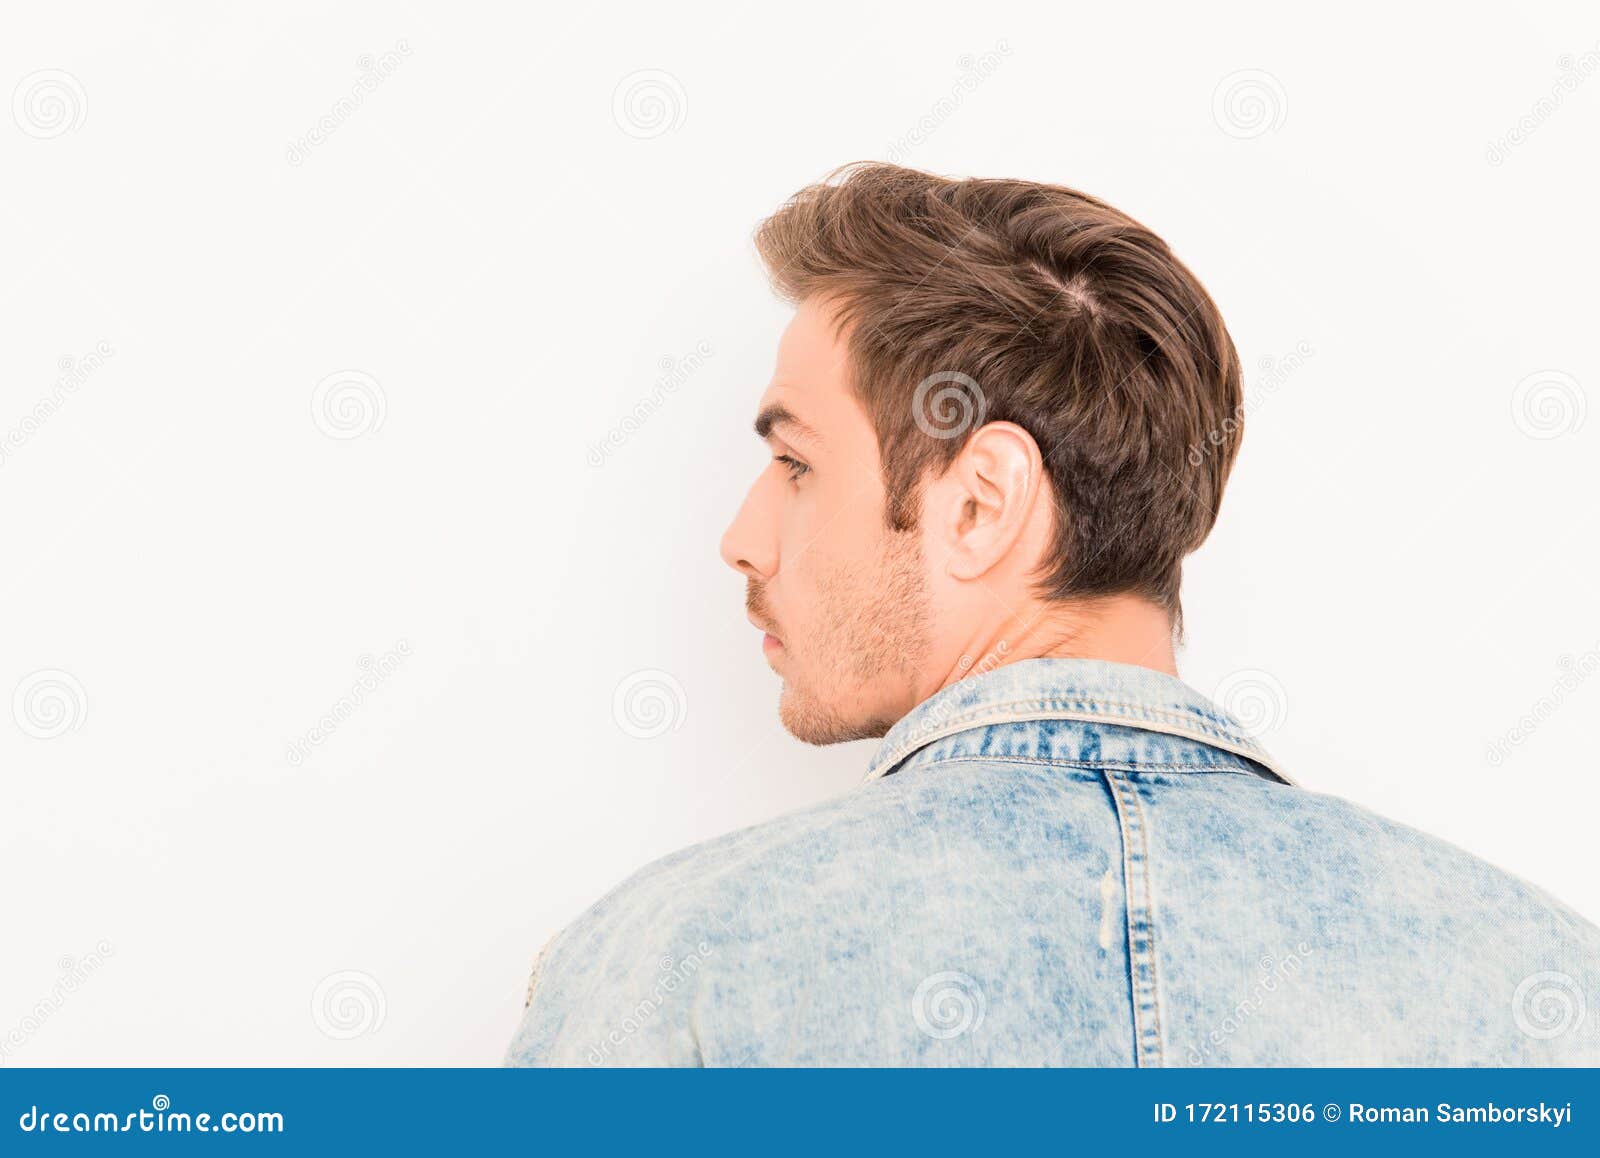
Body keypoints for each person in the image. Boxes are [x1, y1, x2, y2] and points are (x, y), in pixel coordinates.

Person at [506, 164, 1600, 1066]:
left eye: (795, 463)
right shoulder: (1539, 978)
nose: (741, 539)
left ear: (980, 504)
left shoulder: (671, 966)